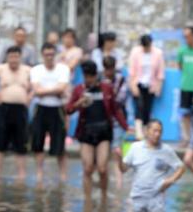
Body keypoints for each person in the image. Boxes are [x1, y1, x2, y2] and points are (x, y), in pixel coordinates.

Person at [117, 119, 185, 212]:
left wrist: (170, 181)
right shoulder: (136, 148)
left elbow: (181, 167)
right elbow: (124, 169)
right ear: (146, 131)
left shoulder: (166, 150)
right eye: (154, 130)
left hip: (157, 196)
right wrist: (118, 159)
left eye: (160, 131)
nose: (157, 134)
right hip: (138, 195)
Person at [66, 60, 129, 196]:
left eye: (90, 76)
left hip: (104, 132)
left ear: (96, 75)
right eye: (85, 76)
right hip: (86, 132)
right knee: (88, 168)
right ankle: (88, 201)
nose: (88, 80)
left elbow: (115, 110)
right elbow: (68, 109)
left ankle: (104, 197)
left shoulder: (106, 88)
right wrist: (79, 103)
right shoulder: (79, 89)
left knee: (102, 168)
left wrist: (125, 126)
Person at [0, 46, 31, 181]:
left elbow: (38, 84)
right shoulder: (0, 69)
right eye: (11, 57)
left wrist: (30, 96)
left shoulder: (27, 70)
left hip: (20, 110)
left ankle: (21, 176)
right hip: (3, 108)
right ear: (7, 58)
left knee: (20, 145)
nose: (14, 60)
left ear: (20, 57)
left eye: (16, 57)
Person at [30, 43, 70, 182]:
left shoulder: (63, 69)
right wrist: (55, 90)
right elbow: (37, 91)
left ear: (55, 55)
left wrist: (45, 91)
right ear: (42, 55)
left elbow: (62, 88)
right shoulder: (36, 70)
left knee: (59, 143)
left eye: (52, 54)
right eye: (47, 54)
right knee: (38, 141)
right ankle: (39, 173)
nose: (49, 57)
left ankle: (63, 175)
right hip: (40, 108)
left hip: (57, 108)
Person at [128, 34, 165, 138]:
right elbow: (132, 70)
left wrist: (158, 86)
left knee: (147, 110)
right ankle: (138, 133)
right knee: (138, 107)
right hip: (138, 83)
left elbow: (160, 72)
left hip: (151, 85)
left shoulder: (158, 53)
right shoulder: (135, 52)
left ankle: (146, 132)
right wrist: (132, 85)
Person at [102, 55, 128, 190]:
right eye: (106, 69)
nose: (108, 72)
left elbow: (119, 100)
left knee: (117, 150)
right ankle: (104, 181)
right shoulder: (100, 80)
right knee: (103, 152)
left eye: (110, 69)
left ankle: (119, 184)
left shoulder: (121, 80)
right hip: (103, 120)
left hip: (117, 119)